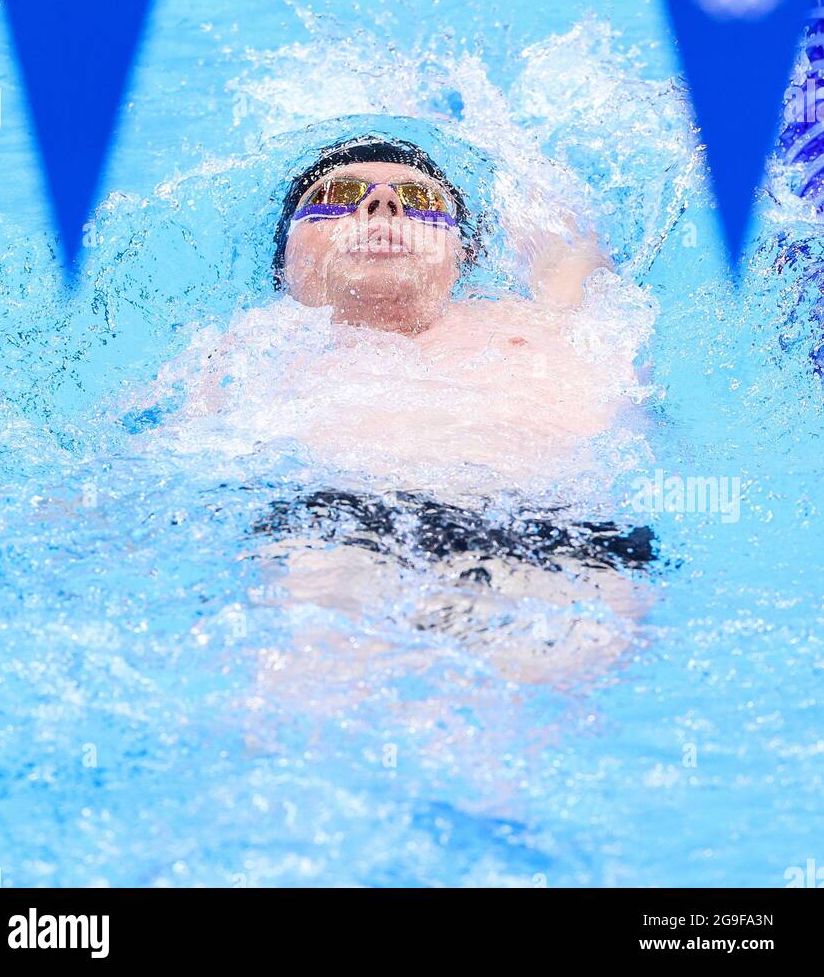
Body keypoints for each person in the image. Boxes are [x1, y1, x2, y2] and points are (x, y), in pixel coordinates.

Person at [154, 132, 656, 686]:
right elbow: (162, 467)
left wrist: (491, 133)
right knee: (315, 698)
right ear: (286, 260)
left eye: (420, 202)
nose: (382, 204)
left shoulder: (544, 325)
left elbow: (571, 244)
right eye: (341, 193)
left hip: (561, 532)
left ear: (462, 255)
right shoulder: (248, 347)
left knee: (540, 725)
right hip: (338, 523)